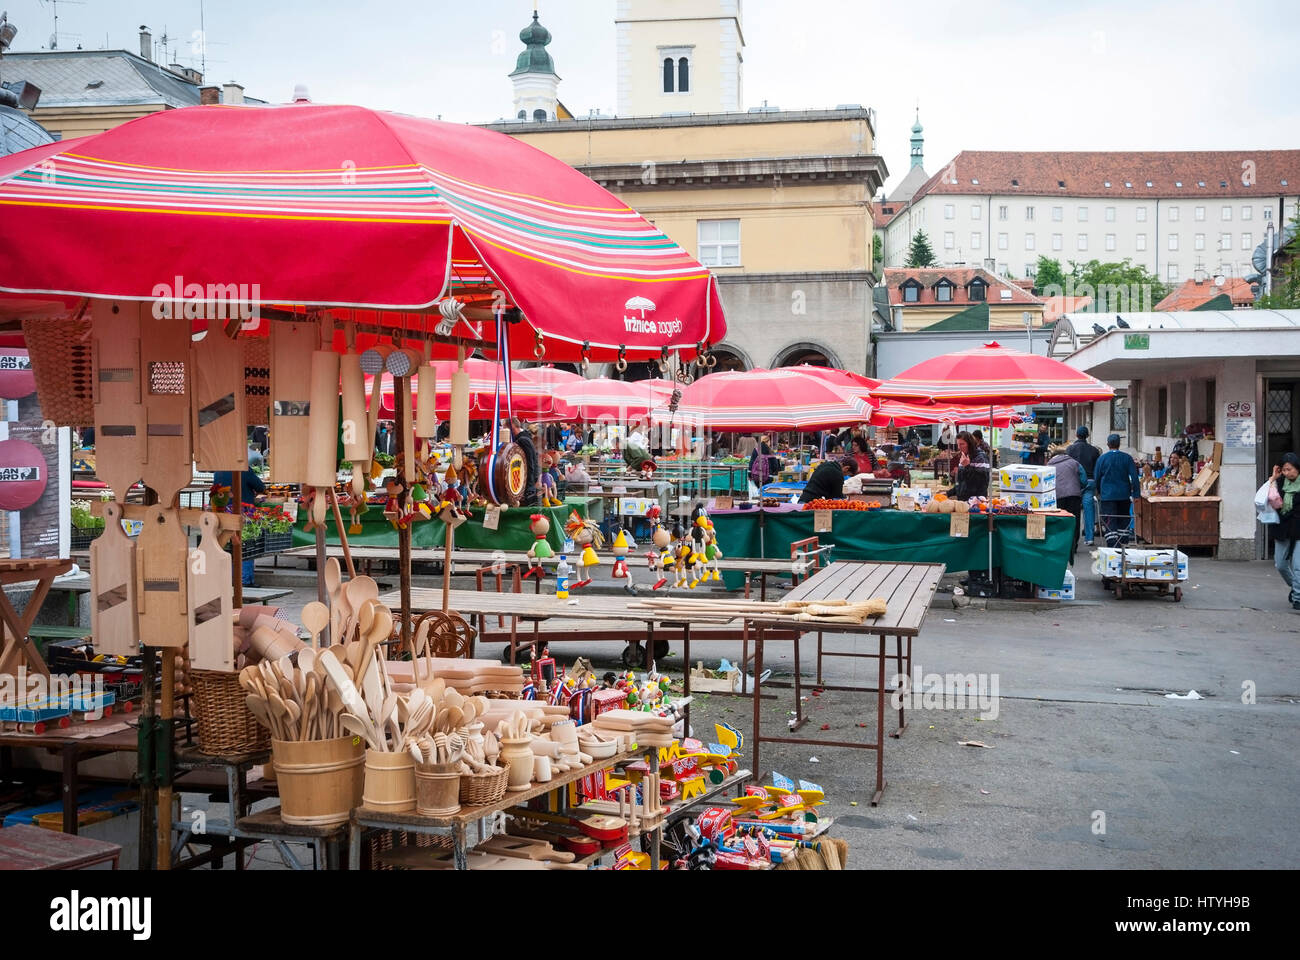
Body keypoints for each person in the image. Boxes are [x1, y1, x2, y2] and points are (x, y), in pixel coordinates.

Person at [1095, 433, 1141, 546]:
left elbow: (1097, 477)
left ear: (1108, 444)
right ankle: (1122, 545)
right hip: (1124, 495)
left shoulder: (1102, 459)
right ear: (1119, 444)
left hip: (1107, 495)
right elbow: (1135, 478)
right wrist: (1136, 495)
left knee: (1110, 520)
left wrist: (1099, 492)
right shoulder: (1127, 458)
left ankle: (1112, 546)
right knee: (1123, 519)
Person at [1268, 453, 1300, 610]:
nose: (1288, 473)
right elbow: (1267, 499)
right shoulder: (1279, 483)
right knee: (1281, 564)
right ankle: (1296, 587)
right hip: (1282, 530)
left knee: (1298, 566)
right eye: (1284, 470)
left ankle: (1297, 598)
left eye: (1290, 469)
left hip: (1299, 530)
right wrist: (1273, 478)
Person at [1048, 449, 1088, 564]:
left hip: (1057, 496)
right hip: (1074, 496)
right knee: (1073, 520)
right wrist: (1079, 487)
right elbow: (1084, 480)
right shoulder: (1074, 463)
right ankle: (1073, 546)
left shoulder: (1049, 464)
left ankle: (1060, 545)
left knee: (1059, 520)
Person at [1066, 426, 1101, 546]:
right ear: (1088, 435)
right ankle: (1089, 537)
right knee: (1089, 509)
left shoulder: (1070, 449)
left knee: (1073, 510)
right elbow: (1097, 469)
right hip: (1090, 482)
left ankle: (1071, 538)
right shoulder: (1094, 450)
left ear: (1076, 435)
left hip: (1074, 482)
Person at [510, 417, 540, 507]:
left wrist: (530, 484)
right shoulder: (524, 438)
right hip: (526, 482)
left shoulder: (523, 439)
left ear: (512, 426)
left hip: (527, 484)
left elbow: (531, 462)